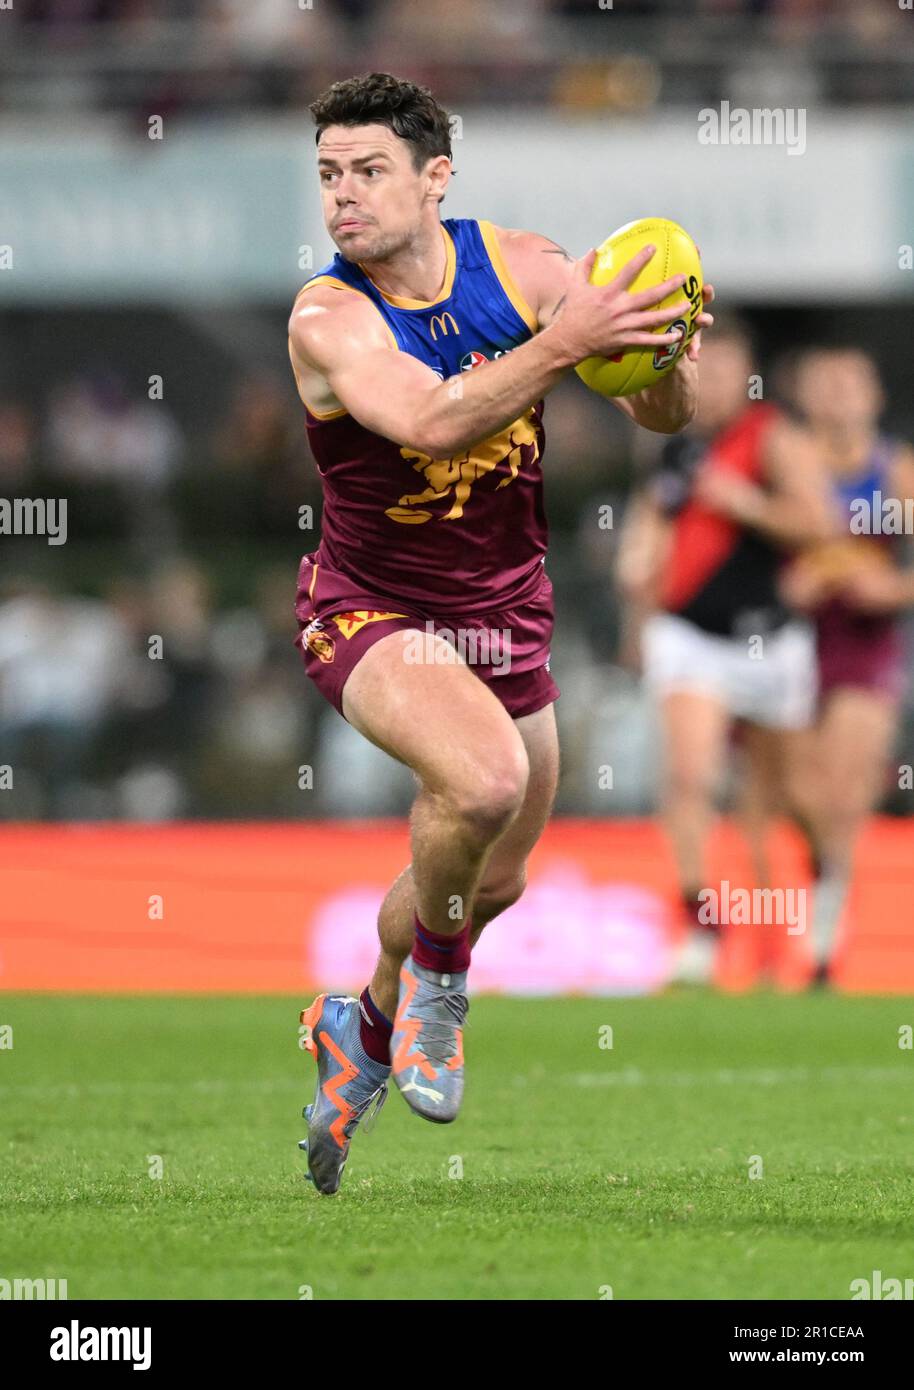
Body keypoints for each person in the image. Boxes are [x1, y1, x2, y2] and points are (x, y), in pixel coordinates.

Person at [287, 71, 712, 1193]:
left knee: (498, 877)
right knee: (476, 784)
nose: (343, 195)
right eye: (329, 173)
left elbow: (659, 416)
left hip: (504, 608)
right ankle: (435, 994)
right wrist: (565, 341)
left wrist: (659, 352)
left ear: (435, 179)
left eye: (368, 170)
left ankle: (361, 1024)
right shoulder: (325, 316)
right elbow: (429, 423)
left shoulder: (523, 267)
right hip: (369, 607)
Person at [615, 319, 833, 985]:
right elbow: (648, 537)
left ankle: (817, 910)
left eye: (722, 370)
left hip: (770, 640)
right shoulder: (671, 447)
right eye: (698, 369)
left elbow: (819, 525)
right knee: (689, 778)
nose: (708, 384)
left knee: (786, 799)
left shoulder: (774, 440)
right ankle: (701, 926)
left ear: (749, 376)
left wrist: (743, 503)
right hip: (690, 637)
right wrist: (637, 601)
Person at [781, 348, 914, 984]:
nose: (837, 395)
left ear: (873, 397)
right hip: (791, 636)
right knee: (799, 792)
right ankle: (822, 872)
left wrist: (892, 590)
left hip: (865, 638)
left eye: (849, 384)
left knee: (841, 790)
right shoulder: (786, 462)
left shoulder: (897, 470)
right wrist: (789, 582)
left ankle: (826, 930)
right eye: (824, 383)